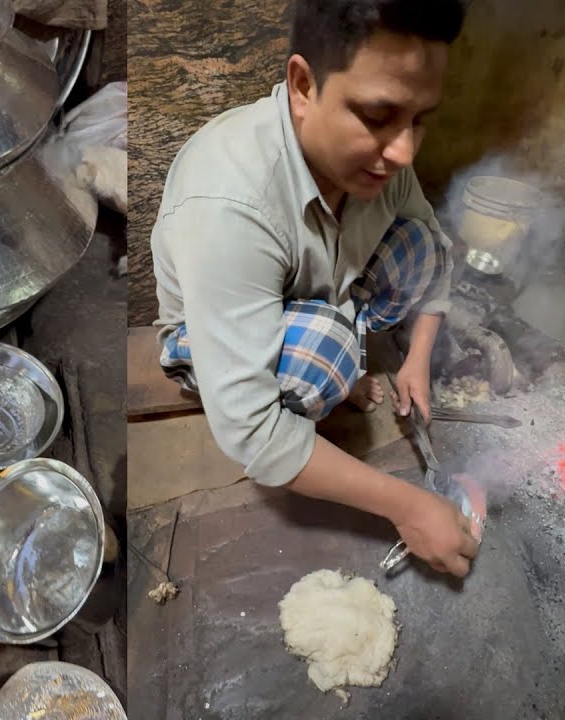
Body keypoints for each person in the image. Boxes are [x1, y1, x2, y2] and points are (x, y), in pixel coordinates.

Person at [151, 0, 481, 577]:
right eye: (378, 115)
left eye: (419, 119)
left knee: (422, 246)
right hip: (209, 331)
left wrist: (418, 360)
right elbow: (252, 433)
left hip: (323, 294)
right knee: (328, 352)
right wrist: (409, 507)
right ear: (304, 86)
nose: (404, 151)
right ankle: (331, 363)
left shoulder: (380, 163)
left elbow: (438, 259)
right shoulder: (230, 202)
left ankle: (340, 349)